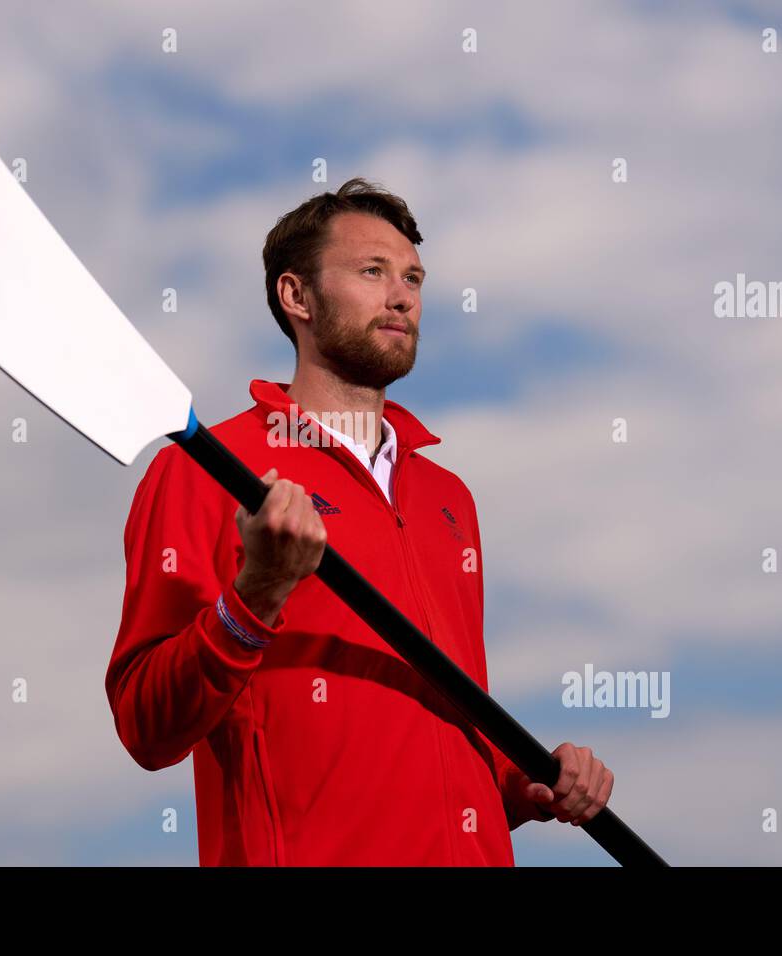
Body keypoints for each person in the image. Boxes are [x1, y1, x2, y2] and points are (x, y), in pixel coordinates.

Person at [106, 178, 613, 865]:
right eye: (372, 272)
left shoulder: (448, 500)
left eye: (412, 277)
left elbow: (441, 728)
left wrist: (522, 782)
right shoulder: (206, 469)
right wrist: (254, 599)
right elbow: (146, 725)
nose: (401, 295)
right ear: (297, 297)